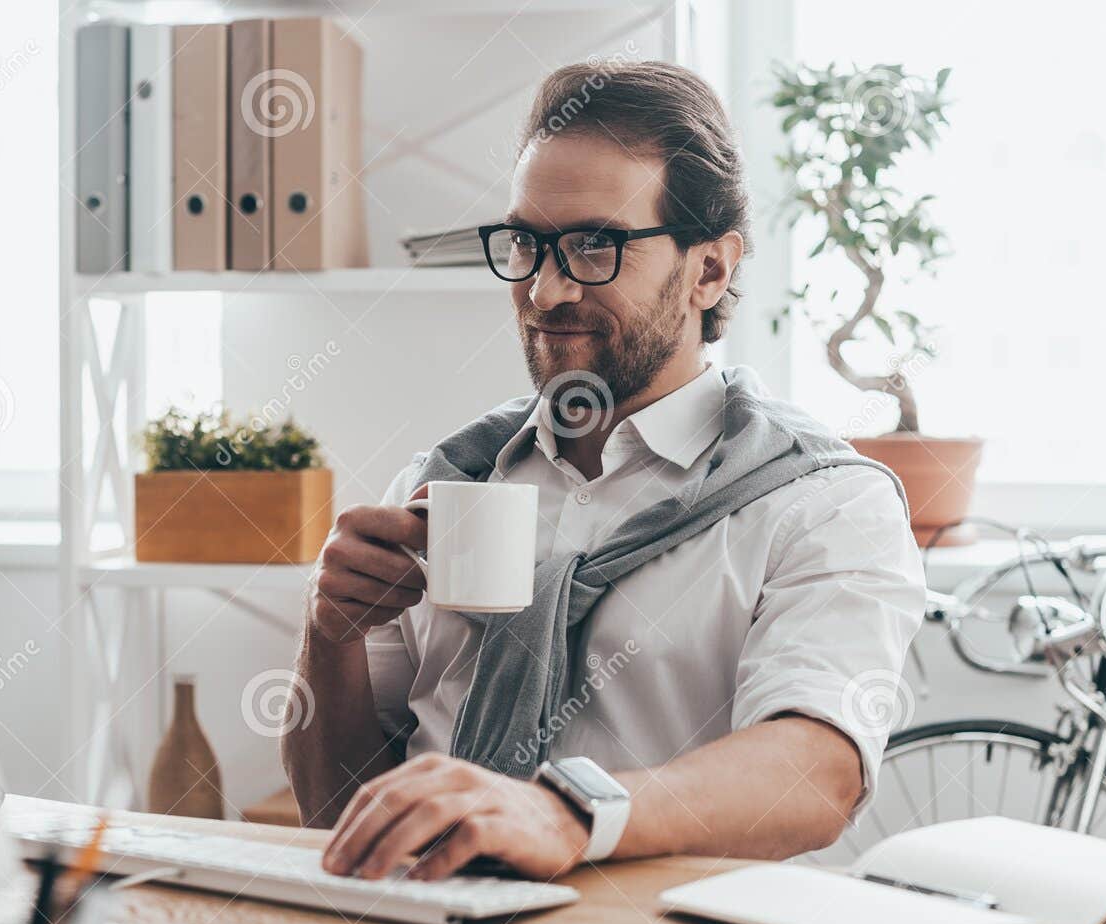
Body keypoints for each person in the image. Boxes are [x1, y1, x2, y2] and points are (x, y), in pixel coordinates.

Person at [281, 61, 925, 882]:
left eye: (595, 244)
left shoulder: (823, 502)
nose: (545, 291)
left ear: (709, 271)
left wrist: (567, 813)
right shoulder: (443, 481)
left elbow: (816, 773)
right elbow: (336, 812)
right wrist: (328, 636)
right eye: (527, 243)